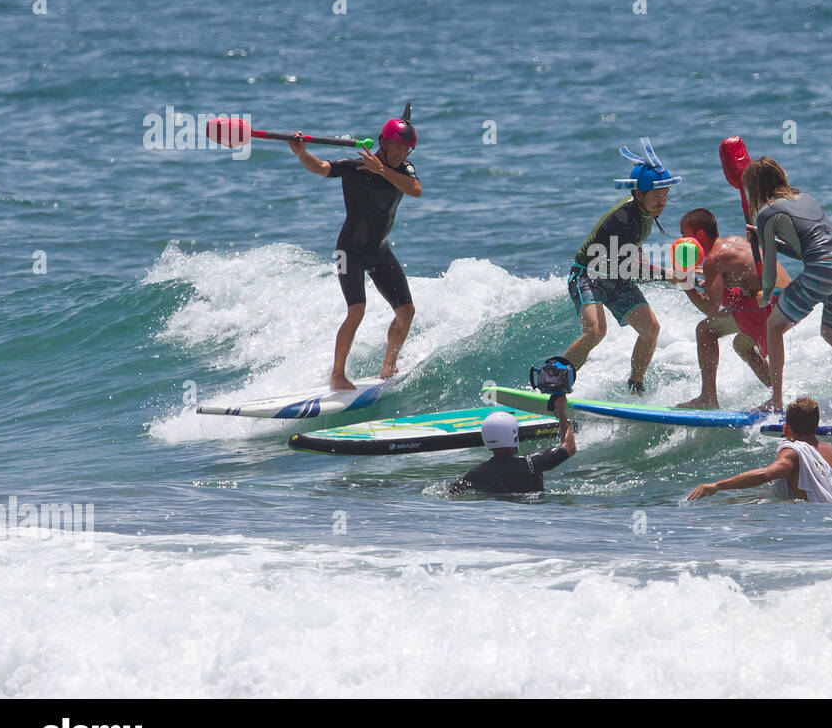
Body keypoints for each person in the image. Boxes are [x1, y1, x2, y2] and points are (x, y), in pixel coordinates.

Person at [287, 104, 422, 390]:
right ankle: (337, 375)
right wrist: (302, 154)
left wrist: (383, 169)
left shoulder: (403, 170)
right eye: (395, 147)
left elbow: (415, 190)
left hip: (379, 250)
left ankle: (389, 366)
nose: (400, 154)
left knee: (406, 311)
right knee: (357, 310)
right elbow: (322, 168)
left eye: (405, 150)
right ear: (382, 142)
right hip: (347, 251)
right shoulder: (355, 166)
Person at [742, 157, 832, 412]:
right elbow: (807, 251)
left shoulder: (766, 212)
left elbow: (770, 264)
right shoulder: (807, 198)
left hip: (820, 270)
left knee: (773, 326)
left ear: (755, 188)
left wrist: (767, 292)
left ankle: (776, 401)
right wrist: (763, 240)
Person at [564, 138, 680, 394]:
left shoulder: (646, 214)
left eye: (665, 195)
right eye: (656, 196)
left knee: (651, 329)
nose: (662, 202)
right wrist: (666, 275)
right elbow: (631, 269)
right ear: (638, 194)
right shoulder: (622, 219)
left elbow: (634, 257)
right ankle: (553, 382)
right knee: (595, 331)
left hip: (615, 275)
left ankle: (635, 386)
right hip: (588, 276)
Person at [673, 208, 791, 409]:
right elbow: (747, 281)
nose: (682, 241)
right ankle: (777, 395)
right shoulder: (733, 243)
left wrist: (685, 284)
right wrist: (713, 282)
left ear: (700, 235)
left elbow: (710, 308)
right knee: (741, 345)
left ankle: (708, 398)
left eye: (685, 236)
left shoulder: (714, 258)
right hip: (790, 302)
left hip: (769, 304)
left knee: (705, 330)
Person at [686, 397, 832, 503]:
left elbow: (767, 474)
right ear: (817, 424)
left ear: (787, 428)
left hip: (811, 523)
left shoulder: (792, 452)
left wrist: (716, 486)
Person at [448, 397, 576, 496]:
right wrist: (561, 412)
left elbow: (453, 492)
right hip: (537, 515)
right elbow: (569, 447)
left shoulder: (476, 474)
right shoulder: (532, 462)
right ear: (514, 436)